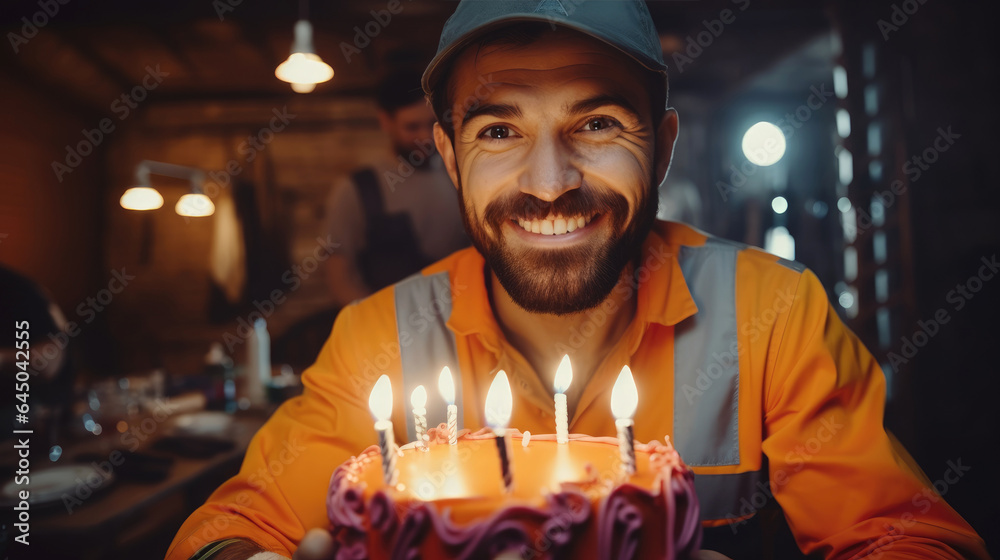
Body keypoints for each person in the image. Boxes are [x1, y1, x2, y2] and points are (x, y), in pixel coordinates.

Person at [166, 2, 990, 559]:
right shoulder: (379, 338)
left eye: (597, 123)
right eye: (499, 129)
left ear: (663, 147)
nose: (551, 181)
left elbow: (906, 537)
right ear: (449, 158)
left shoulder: (772, 315)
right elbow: (230, 527)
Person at [322, 70, 468, 309]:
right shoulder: (356, 189)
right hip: (391, 330)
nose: (425, 137)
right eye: (411, 127)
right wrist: (378, 324)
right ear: (385, 121)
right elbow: (340, 277)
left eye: (432, 124)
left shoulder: (463, 176)